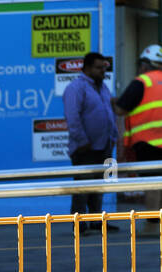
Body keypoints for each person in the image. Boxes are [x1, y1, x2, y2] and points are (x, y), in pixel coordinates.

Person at [63, 52, 117, 231]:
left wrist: (113, 136)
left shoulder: (103, 88)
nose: (103, 71)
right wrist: (82, 141)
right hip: (85, 148)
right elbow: (72, 117)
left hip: (104, 145)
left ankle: (96, 221)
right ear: (86, 68)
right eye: (98, 67)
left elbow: (110, 114)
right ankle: (79, 223)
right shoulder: (76, 88)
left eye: (104, 67)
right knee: (82, 187)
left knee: (99, 187)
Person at [115, 45, 162, 232]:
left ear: (144, 64)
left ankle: (152, 224)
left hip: (148, 143)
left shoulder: (142, 82)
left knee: (152, 184)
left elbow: (120, 109)